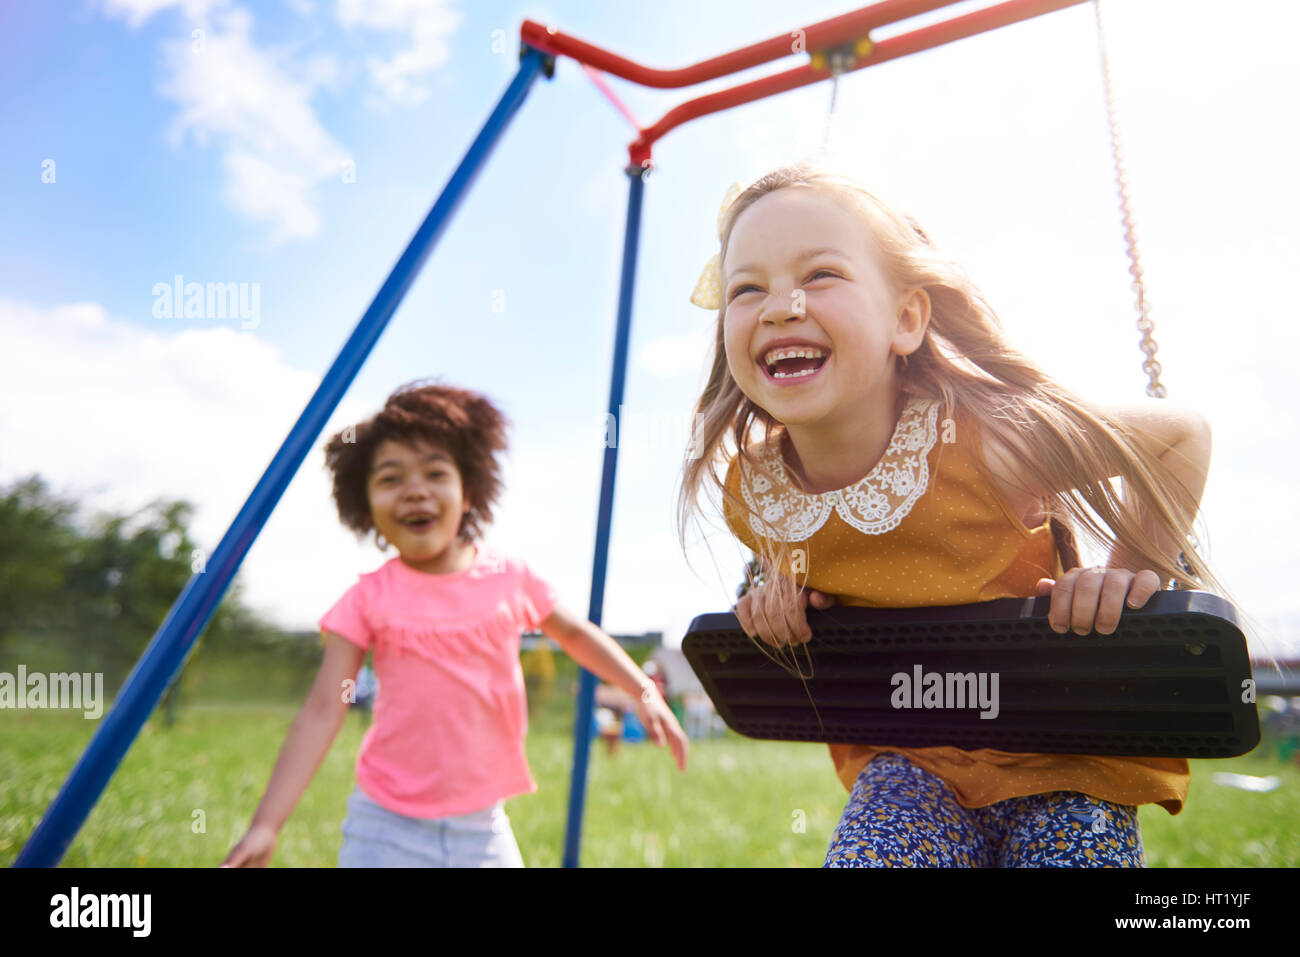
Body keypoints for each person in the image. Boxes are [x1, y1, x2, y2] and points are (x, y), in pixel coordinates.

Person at [676, 162, 1240, 868]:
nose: (780, 305)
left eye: (820, 274)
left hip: (1066, 756)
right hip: (912, 762)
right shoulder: (754, 490)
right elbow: (798, 565)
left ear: (907, 318)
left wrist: (1127, 574)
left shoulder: (982, 443)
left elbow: (1180, 434)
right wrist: (774, 603)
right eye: (746, 287)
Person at [222, 381, 688, 868]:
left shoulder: (509, 578)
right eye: (390, 479)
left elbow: (574, 634)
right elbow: (324, 707)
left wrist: (642, 689)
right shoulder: (366, 598)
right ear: (366, 507)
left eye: (435, 473)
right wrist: (265, 826)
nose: (416, 489)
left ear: (468, 493)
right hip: (384, 826)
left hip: (481, 828)